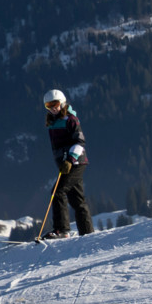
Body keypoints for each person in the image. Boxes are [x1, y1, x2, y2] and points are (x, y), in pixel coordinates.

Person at [41, 90, 93, 238]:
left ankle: (61, 230)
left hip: (75, 162)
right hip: (65, 163)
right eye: (48, 105)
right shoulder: (53, 122)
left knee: (57, 191)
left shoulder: (70, 119)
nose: (53, 108)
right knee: (77, 200)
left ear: (62, 103)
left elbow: (80, 142)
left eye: (55, 104)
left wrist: (70, 160)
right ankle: (87, 233)